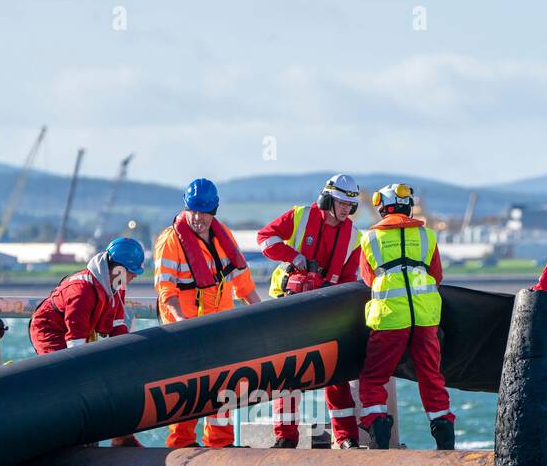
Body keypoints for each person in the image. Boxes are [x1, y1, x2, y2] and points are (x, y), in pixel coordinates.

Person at [257, 173, 364, 448]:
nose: (345, 210)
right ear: (327, 198)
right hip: (289, 306)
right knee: (288, 375)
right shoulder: (300, 216)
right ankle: (285, 437)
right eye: (341, 203)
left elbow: (351, 278)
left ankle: (346, 438)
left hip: (326, 310)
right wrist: (294, 257)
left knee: (336, 375)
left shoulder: (355, 237)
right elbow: (265, 238)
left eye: (349, 205)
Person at [153, 178, 262, 448]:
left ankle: (221, 443)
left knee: (223, 385)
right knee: (187, 388)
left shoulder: (222, 234)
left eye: (204, 212)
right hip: (187, 328)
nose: (198, 218)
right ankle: (181, 445)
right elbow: (166, 289)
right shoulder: (171, 241)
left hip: (220, 326)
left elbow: (242, 280)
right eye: (193, 211)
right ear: (186, 208)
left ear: (214, 211)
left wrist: (260, 313)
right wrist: (180, 323)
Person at [356, 183, 455, 451]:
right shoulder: (427, 236)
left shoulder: (370, 239)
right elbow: (437, 275)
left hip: (390, 318)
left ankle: (379, 437)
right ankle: (445, 441)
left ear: (381, 210)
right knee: (431, 377)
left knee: (375, 377)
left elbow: (368, 279)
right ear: (408, 206)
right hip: (425, 318)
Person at [30, 236, 144, 446]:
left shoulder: (116, 287)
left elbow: (117, 323)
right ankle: (67, 438)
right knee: (66, 378)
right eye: (131, 273)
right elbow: (75, 340)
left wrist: (125, 359)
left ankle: (121, 436)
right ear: (118, 269)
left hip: (78, 331)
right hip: (50, 330)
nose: (133, 278)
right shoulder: (81, 290)